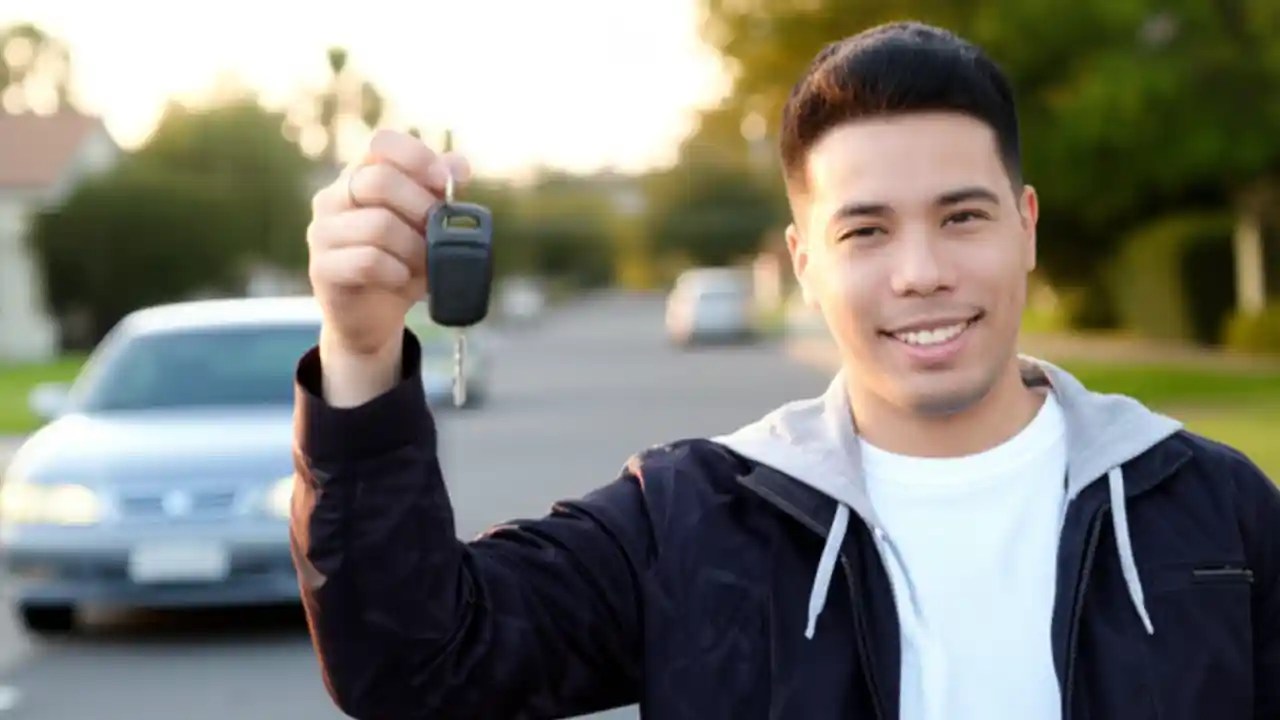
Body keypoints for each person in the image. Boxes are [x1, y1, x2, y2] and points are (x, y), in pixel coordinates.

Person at [291, 20, 1280, 720]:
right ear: (804, 263)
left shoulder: (1210, 509)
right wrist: (362, 352)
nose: (921, 273)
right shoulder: (688, 521)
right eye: (864, 231)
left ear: (1023, 227)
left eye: (960, 216)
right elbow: (415, 668)